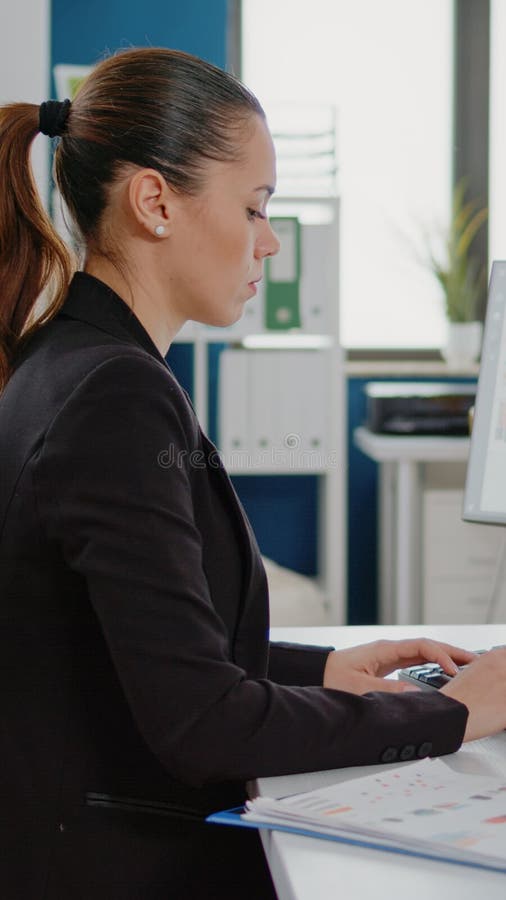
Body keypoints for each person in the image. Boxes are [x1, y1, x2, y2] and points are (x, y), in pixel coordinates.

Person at [1, 46, 506, 900]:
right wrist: (459, 712)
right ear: (155, 202)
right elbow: (203, 724)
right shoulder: (115, 392)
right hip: (122, 859)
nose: (270, 242)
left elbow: (141, 644)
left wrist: (322, 670)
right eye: (256, 207)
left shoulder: (70, 358)